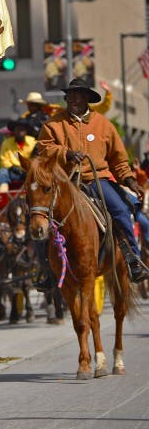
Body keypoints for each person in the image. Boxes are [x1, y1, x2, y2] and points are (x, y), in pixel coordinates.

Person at [36, 77, 149, 283]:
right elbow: (43, 148)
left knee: (121, 211)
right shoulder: (53, 124)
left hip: (98, 181)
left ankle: (133, 259)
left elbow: (118, 159)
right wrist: (66, 154)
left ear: (88, 98)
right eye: (70, 95)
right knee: (39, 217)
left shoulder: (104, 125)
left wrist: (130, 180)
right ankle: (45, 268)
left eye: (78, 94)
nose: (73, 99)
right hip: (64, 183)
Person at [0, 119, 36, 192]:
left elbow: (37, 158)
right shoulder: (6, 142)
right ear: (14, 131)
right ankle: (3, 193)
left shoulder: (33, 142)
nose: (20, 131)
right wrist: (12, 168)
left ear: (26, 131)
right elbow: (4, 159)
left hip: (28, 171)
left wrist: (28, 167)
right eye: (18, 129)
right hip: (12, 171)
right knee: (3, 171)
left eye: (22, 129)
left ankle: (34, 192)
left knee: (36, 172)